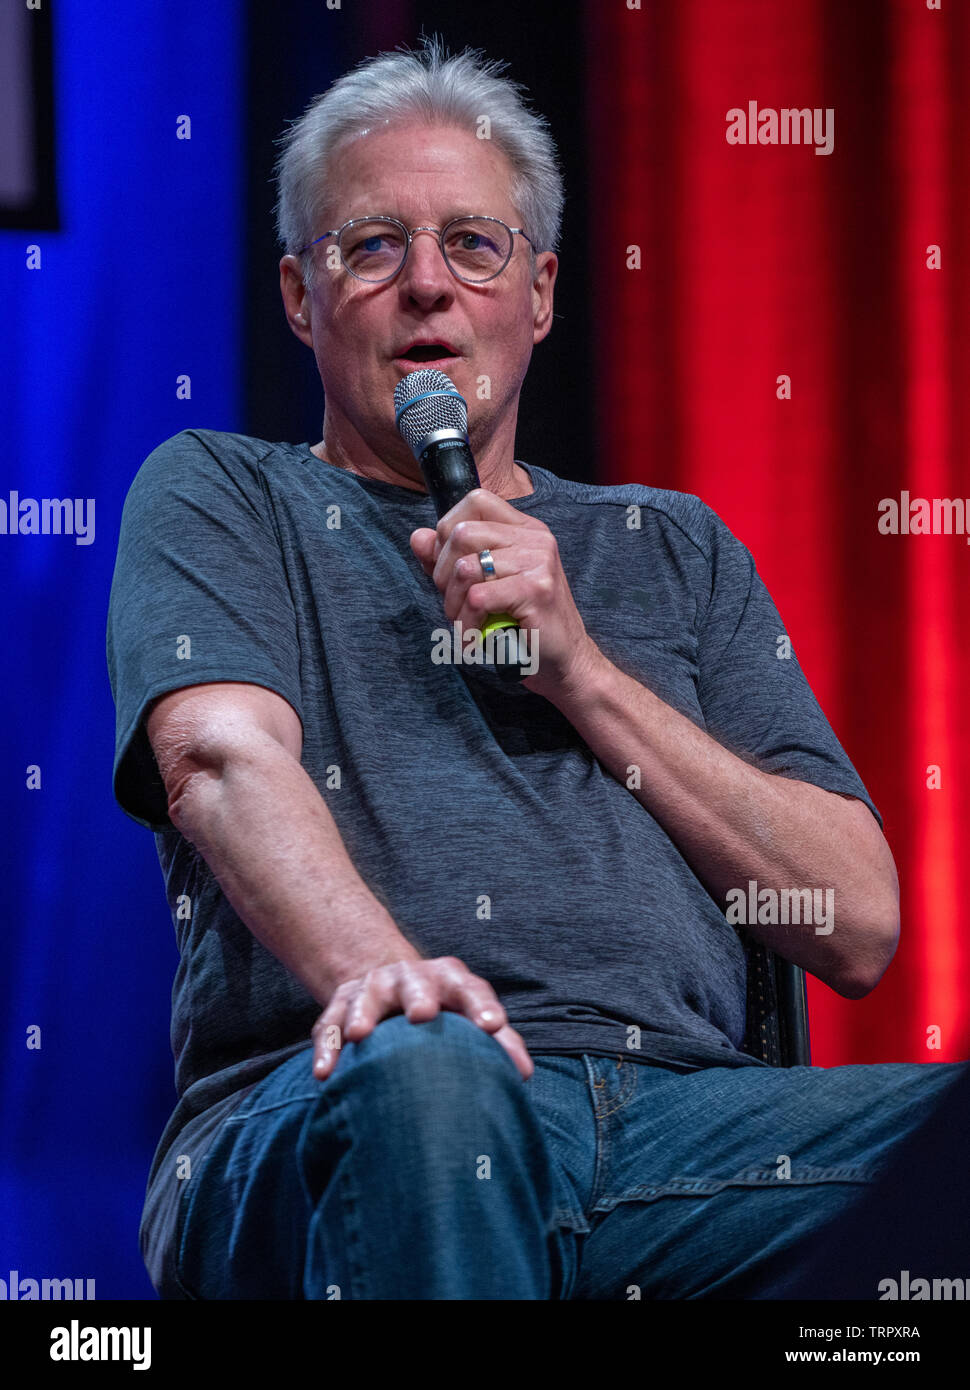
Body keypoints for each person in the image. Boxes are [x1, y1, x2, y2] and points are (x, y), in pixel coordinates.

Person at [106, 37, 966, 1300]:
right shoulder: (224, 491)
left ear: (542, 292)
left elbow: (857, 925)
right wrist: (382, 981)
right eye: (371, 245)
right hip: (343, 1100)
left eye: (473, 243)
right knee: (431, 1072)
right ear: (299, 295)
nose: (427, 289)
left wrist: (581, 670)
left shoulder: (671, 546)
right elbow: (220, 760)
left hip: (690, 1142)